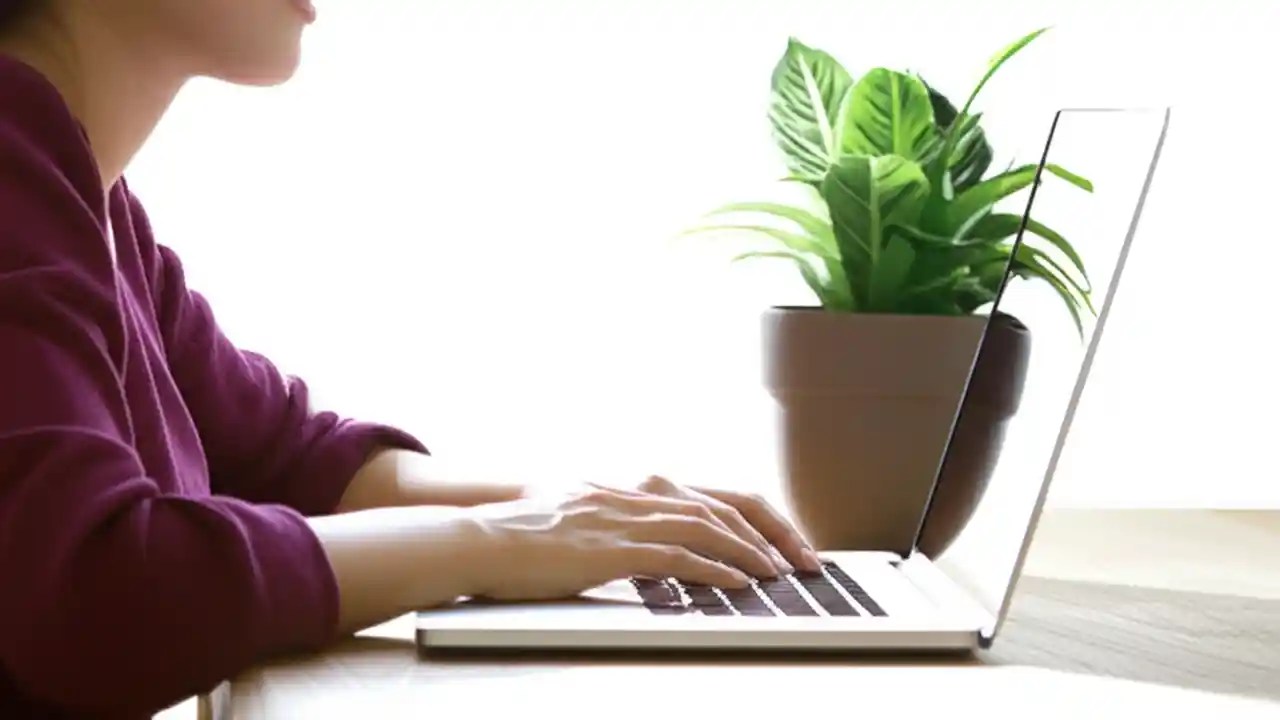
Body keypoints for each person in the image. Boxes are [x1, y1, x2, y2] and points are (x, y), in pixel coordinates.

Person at [0, 1, 823, 717]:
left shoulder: (90, 204)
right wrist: (498, 543)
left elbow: (289, 458)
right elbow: (92, 591)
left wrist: (585, 509)